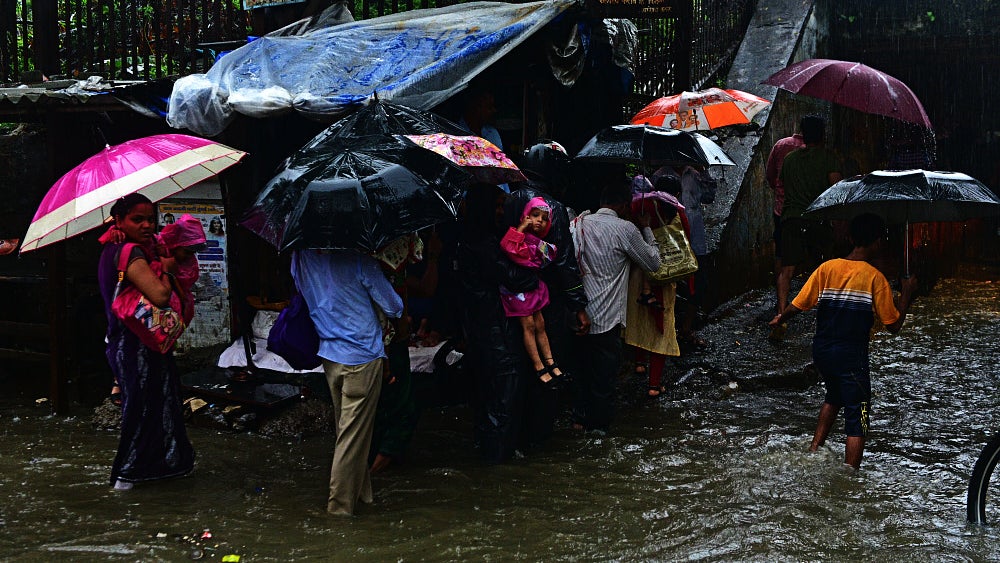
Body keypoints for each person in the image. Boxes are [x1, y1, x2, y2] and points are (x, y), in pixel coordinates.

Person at [768, 213, 918, 470]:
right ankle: (851, 474)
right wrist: (906, 295)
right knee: (858, 414)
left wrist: (781, 318)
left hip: (823, 351)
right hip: (852, 354)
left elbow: (799, 304)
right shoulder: (875, 278)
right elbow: (893, 325)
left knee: (834, 394)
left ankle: (815, 447)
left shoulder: (827, 268)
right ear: (878, 242)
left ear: (851, 238)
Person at [291, 248, 404, 516]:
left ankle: (363, 497)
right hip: (361, 356)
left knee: (352, 434)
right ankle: (339, 510)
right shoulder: (357, 259)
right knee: (351, 438)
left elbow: (301, 288)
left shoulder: (301, 256)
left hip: (330, 354)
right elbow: (394, 306)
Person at [97, 193, 194, 490]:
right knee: (143, 407)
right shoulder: (130, 252)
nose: (147, 225)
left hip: (136, 340)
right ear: (119, 220)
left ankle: (161, 469)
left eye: (150, 219)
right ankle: (128, 476)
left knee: (158, 402)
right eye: (137, 219)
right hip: (135, 343)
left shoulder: (115, 248)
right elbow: (160, 296)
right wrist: (166, 270)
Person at [569, 181, 661, 434]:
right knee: (603, 377)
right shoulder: (626, 229)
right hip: (606, 317)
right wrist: (646, 229)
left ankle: (578, 420)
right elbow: (653, 263)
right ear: (622, 205)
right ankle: (599, 430)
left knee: (579, 372)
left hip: (578, 313)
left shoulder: (579, 224)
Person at [457, 184, 539, 463]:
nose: (502, 212)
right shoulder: (483, 243)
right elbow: (516, 277)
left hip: (481, 329)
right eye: (498, 205)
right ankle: (498, 460)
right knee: (504, 396)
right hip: (494, 331)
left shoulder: (472, 239)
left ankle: (492, 454)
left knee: (489, 398)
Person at [773, 115, 843, 340]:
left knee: (787, 270)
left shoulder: (790, 159)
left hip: (791, 218)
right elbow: (836, 188)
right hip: (817, 219)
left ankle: (781, 313)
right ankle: (825, 313)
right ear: (823, 134)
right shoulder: (828, 158)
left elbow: (780, 182)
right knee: (822, 267)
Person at [499, 197, 567, 385]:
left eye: (544, 218)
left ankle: (550, 361)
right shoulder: (516, 235)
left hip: (531, 288)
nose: (539, 220)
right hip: (519, 291)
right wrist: (521, 228)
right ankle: (539, 365)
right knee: (528, 325)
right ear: (526, 216)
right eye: (535, 215)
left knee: (540, 324)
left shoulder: (537, 242)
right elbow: (509, 247)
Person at [627, 178, 682, 398]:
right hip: (663, 275)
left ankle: (639, 363)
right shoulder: (672, 214)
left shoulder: (632, 213)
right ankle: (654, 384)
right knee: (662, 330)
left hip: (637, 276)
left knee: (640, 323)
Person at [765, 124, 806, 275]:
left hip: (781, 209)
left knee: (781, 252)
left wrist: (778, 189)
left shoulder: (781, 145)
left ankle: (780, 291)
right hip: (806, 210)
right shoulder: (811, 151)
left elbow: (770, 175)